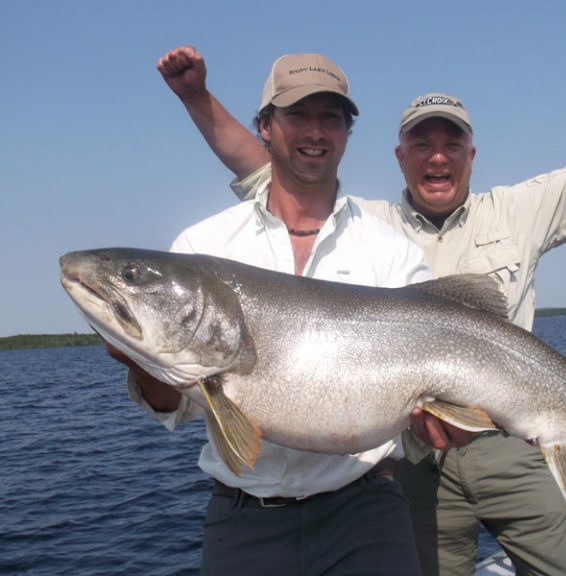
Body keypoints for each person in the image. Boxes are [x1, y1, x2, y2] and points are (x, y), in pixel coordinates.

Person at [156, 23, 566, 576]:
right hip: (420, 452)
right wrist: (197, 98)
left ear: (472, 154)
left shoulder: (518, 212)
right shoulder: (369, 224)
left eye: (451, 144)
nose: (438, 157)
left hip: (512, 438)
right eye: (422, 144)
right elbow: (278, 166)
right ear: (399, 156)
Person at [108, 52, 456, 576]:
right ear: (265, 127)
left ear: (347, 133)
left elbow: (418, 428)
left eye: (330, 117)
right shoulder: (202, 246)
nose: (314, 131)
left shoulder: (393, 254)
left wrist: (445, 424)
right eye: (297, 115)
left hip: (367, 510)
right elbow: (174, 406)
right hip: (244, 518)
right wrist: (144, 363)